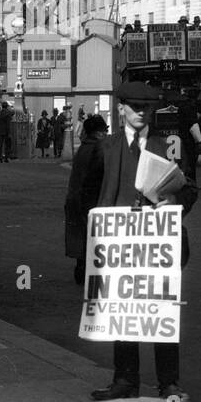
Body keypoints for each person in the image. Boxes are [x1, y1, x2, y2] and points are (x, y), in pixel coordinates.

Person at [90, 80, 198, 402]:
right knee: (123, 311)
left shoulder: (167, 145)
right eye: (134, 106)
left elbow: (189, 187)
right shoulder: (105, 148)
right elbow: (87, 196)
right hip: (118, 244)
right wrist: (89, 245)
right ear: (120, 107)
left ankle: (169, 384)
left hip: (158, 244)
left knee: (160, 311)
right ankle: (124, 380)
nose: (140, 112)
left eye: (146, 107)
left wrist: (175, 200)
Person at [64, 114, 108, 285]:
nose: (106, 134)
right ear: (98, 132)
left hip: (76, 197)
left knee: (82, 237)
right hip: (90, 199)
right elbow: (98, 174)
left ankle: (81, 269)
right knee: (93, 237)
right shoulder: (99, 148)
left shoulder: (84, 147)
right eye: (104, 130)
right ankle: (89, 273)